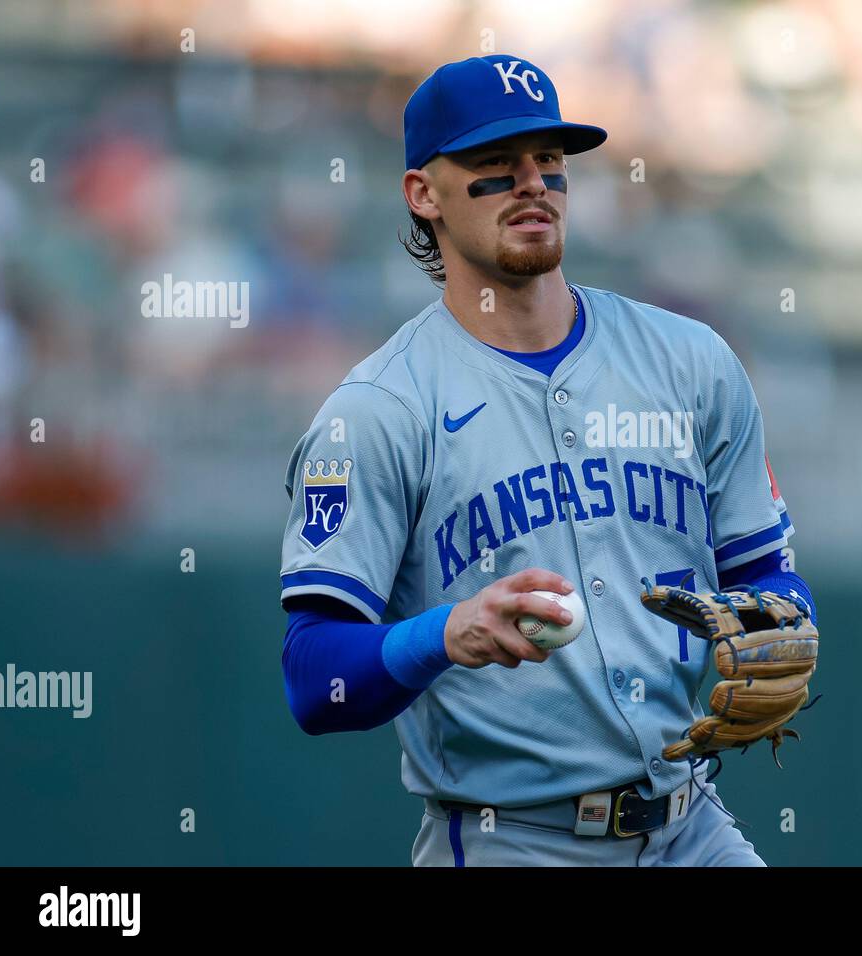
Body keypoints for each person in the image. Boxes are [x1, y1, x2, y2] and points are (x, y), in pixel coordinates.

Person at [278, 54, 819, 866]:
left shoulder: (690, 362)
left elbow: (765, 572)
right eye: (496, 165)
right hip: (514, 841)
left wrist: (781, 620)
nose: (532, 183)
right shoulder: (379, 412)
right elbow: (312, 677)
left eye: (550, 162)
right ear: (423, 193)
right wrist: (444, 633)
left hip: (691, 825)